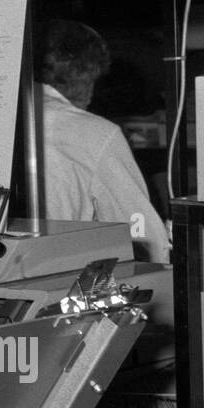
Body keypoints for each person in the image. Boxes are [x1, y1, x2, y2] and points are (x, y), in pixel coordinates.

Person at [35, 19, 169, 264]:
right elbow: (145, 238)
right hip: (62, 276)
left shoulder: (1, 120)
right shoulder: (96, 134)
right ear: (88, 76)